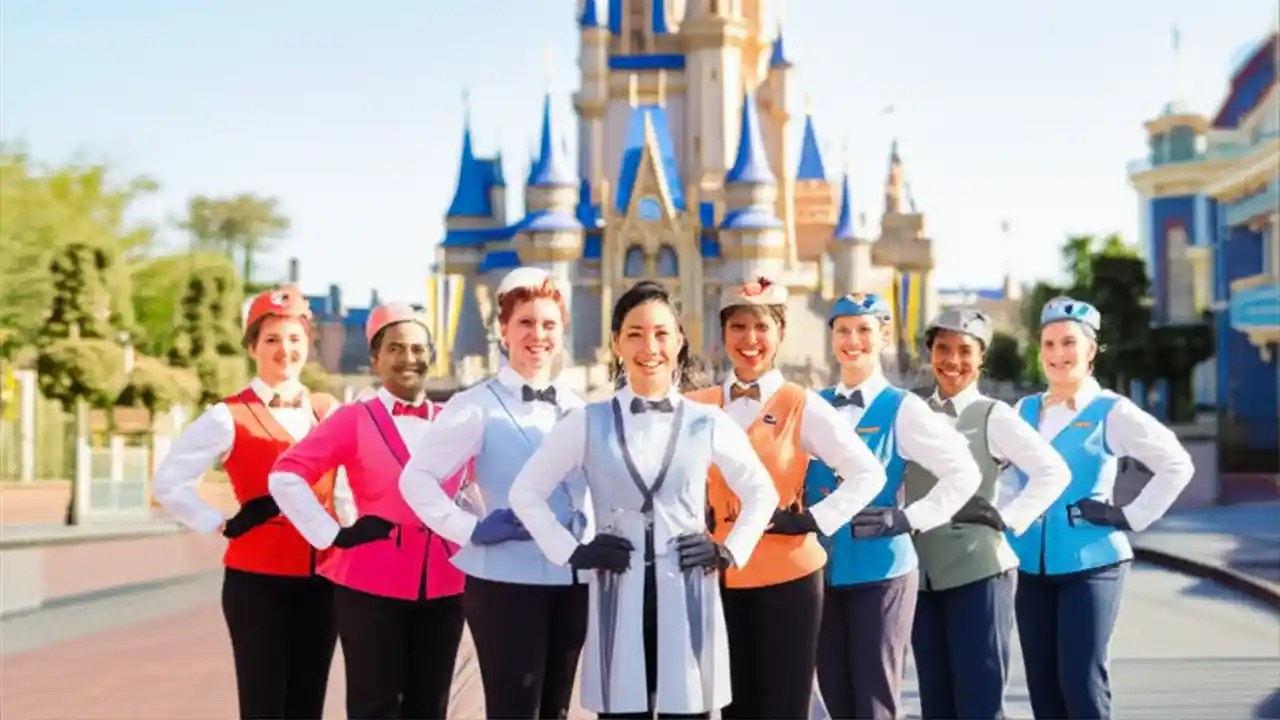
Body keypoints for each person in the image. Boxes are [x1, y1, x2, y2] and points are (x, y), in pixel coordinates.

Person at [509, 280, 780, 719]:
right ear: (616, 343)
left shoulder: (707, 421)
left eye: (660, 333)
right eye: (634, 333)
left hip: (688, 593)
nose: (648, 346)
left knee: (687, 710)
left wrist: (729, 549)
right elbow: (526, 492)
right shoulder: (586, 421)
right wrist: (573, 551)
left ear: (678, 341)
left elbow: (760, 491)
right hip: (618, 594)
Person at [684, 276, 888, 719]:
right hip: (718, 580)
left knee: (784, 709)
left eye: (762, 327)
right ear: (723, 334)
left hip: (789, 579)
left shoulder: (802, 404)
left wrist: (813, 519)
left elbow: (867, 473)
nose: (750, 340)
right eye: (738, 326)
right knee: (731, 708)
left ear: (780, 333)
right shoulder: (696, 406)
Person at [398, 267, 590, 719]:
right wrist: (471, 529)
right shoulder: (475, 405)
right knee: (513, 709)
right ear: (503, 331)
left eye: (548, 324)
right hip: (506, 583)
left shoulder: (580, 408)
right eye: (525, 323)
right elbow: (416, 478)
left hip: (571, 583)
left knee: (556, 709)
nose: (537, 335)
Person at [268, 302, 470, 719]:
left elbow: (473, 486)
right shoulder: (353, 419)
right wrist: (333, 534)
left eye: (417, 349)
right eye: (395, 348)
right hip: (370, 586)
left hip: (446, 586)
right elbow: (286, 475)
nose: (408, 358)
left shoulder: (455, 422)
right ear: (376, 358)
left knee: (431, 707)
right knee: (373, 706)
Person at [152, 285, 338, 720]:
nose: (284, 350)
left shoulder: (327, 411)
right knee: (263, 703)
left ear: (308, 344)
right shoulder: (227, 415)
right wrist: (218, 521)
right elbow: (169, 481)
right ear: (252, 346)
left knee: (309, 703)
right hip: (258, 583)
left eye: (294, 338)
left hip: (323, 581)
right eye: (271, 339)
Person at [1010, 297, 1193, 719]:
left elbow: (1176, 464)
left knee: (1080, 681)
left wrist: (1128, 515)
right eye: (1050, 344)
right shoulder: (1023, 411)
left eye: (1069, 343)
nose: (1059, 354)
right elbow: (1003, 475)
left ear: (1091, 351)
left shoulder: (1112, 411)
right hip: (1029, 569)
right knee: (1043, 686)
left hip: (1092, 565)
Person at [804, 292, 982, 720]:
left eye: (864, 330)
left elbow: (964, 473)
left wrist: (907, 518)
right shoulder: (812, 403)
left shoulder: (902, 408)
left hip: (881, 573)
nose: (852, 341)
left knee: (875, 702)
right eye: (843, 330)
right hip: (822, 573)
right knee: (835, 700)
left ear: (884, 335)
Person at [907, 307, 1071, 719]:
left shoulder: (993, 415)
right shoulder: (912, 412)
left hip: (979, 574)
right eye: (943, 349)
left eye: (965, 350)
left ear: (981, 358)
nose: (952, 361)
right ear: (930, 353)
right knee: (935, 704)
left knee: (979, 702)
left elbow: (1053, 471)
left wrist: (1008, 517)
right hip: (923, 577)